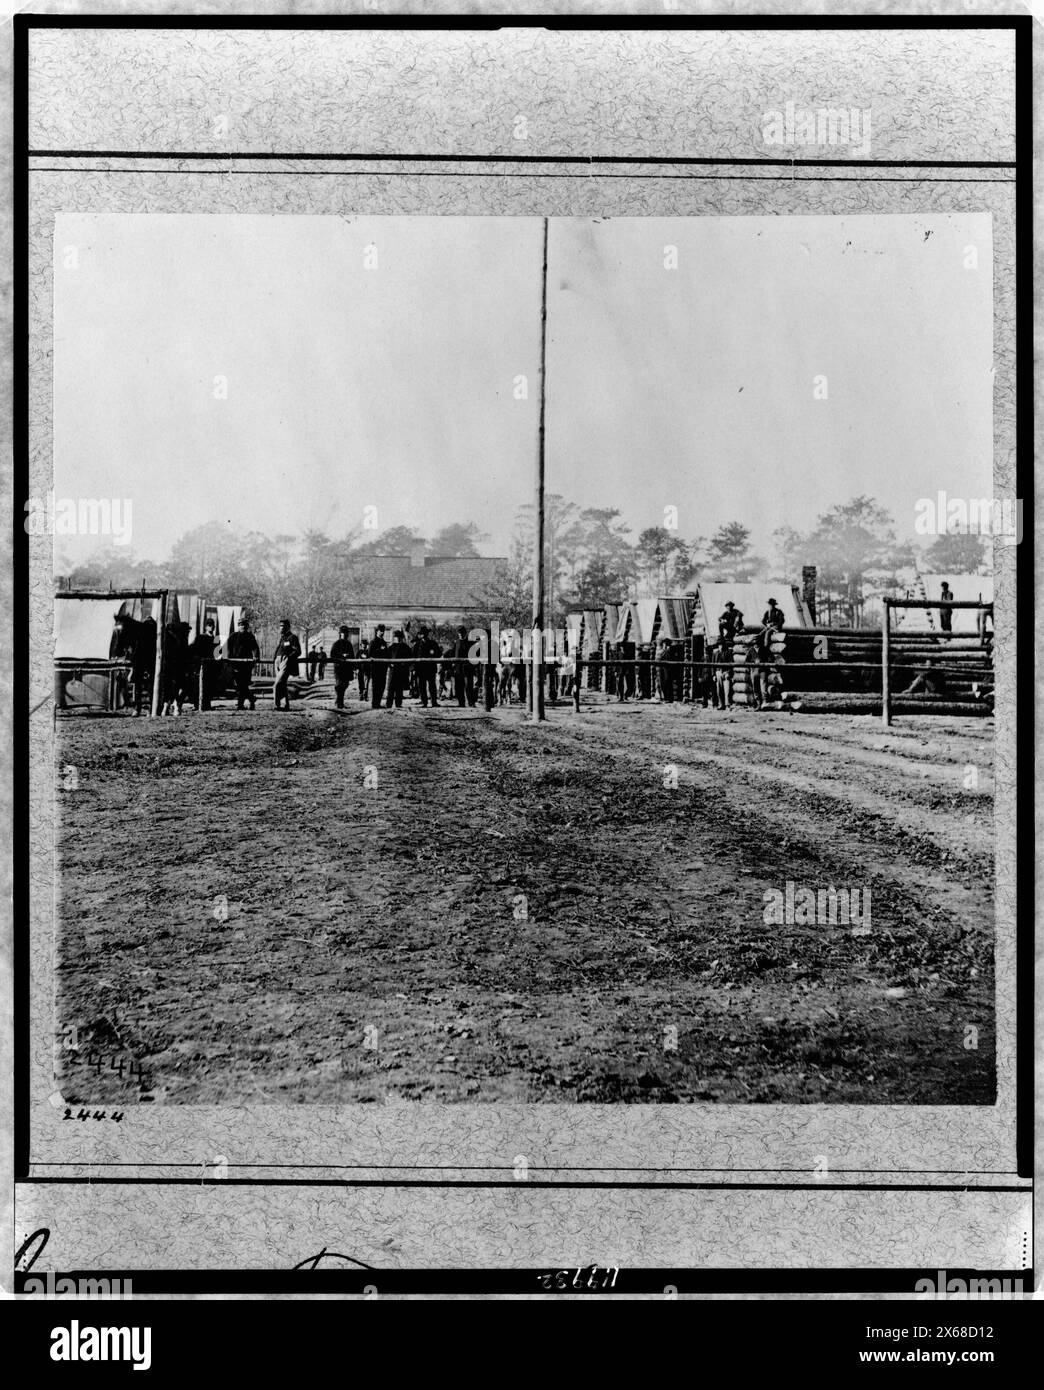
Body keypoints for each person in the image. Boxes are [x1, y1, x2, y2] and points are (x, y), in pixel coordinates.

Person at [226, 615, 260, 710]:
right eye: (241, 625)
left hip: (247, 665)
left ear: (247, 626)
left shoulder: (250, 637)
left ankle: (240, 704)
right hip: (235, 664)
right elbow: (226, 647)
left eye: (245, 625)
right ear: (238, 626)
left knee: (243, 684)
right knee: (239, 684)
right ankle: (251, 698)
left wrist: (256, 656)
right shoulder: (233, 636)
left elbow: (255, 648)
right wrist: (223, 656)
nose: (243, 627)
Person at [189, 618, 219, 710]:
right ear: (206, 627)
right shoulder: (200, 637)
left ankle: (207, 704)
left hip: (212, 665)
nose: (211, 627)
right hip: (201, 665)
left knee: (210, 685)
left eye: (213, 625)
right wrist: (198, 659)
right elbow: (193, 649)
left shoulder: (216, 639)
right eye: (209, 625)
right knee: (199, 684)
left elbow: (219, 652)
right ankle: (197, 704)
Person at [272, 619, 301, 711]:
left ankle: (277, 705)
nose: (281, 628)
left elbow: (298, 651)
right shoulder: (282, 638)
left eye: (283, 626)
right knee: (282, 684)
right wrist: (275, 659)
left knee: (277, 684)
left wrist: (288, 658)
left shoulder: (292, 637)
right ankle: (285, 705)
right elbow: (278, 649)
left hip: (286, 661)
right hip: (278, 661)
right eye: (280, 626)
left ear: (288, 627)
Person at [412, 625, 440, 708]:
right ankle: (424, 702)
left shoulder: (433, 643)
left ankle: (434, 702)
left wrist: (433, 656)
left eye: (425, 633)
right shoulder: (417, 645)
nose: (423, 635)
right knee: (422, 686)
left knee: (432, 686)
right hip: (420, 669)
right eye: (422, 633)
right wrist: (413, 669)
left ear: (427, 634)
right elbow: (413, 657)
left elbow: (438, 654)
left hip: (430, 668)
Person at [330, 626, 355, 709]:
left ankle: (340, 701)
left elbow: (352, 656)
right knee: (339, 685)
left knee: (345, 685)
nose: (345, 635)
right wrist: (342, 655)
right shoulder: (337, 644)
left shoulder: (349, 644)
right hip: (339, 668)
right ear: (340, 634)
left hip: (347, 668)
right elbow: (332, 655)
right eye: (343, 633)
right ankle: (338, 702)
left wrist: (353, 667)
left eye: (346, 633)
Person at [385, 629, 411, 709]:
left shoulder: (406, 648)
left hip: (401, 670)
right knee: (391, 688)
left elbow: (409, 658)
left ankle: (398, 703)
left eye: (399, 637)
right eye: (396, 637)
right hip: (393, 670)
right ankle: (389, 704)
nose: (398, 639)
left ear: (402, 638)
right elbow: (387, 658)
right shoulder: (391, 647)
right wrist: (390, 664)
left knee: (399, 688)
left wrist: (405, 665)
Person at [453, 625, 477, 707]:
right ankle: (461, 703)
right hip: (458, 668)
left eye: (461, 633)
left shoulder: (470, 642)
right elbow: (453, 653)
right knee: (458, 686)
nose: (460, 634)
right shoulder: (457, 642)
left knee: (468, 686)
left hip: (468, 668)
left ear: (465, 633)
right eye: (459, 633)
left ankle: (471, 702)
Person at [369, 625, 389, 709]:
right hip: (376, 668)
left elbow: (386, 654)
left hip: (383, 668)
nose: (382, 632)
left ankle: (378, 703)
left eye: (383, 631)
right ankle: (374, 704)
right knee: (376, 686)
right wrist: (381, 651)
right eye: (380, 631)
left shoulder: (384, 642)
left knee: (382, 685)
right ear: (377, 631)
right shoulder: (373, 642)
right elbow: (370, 653)